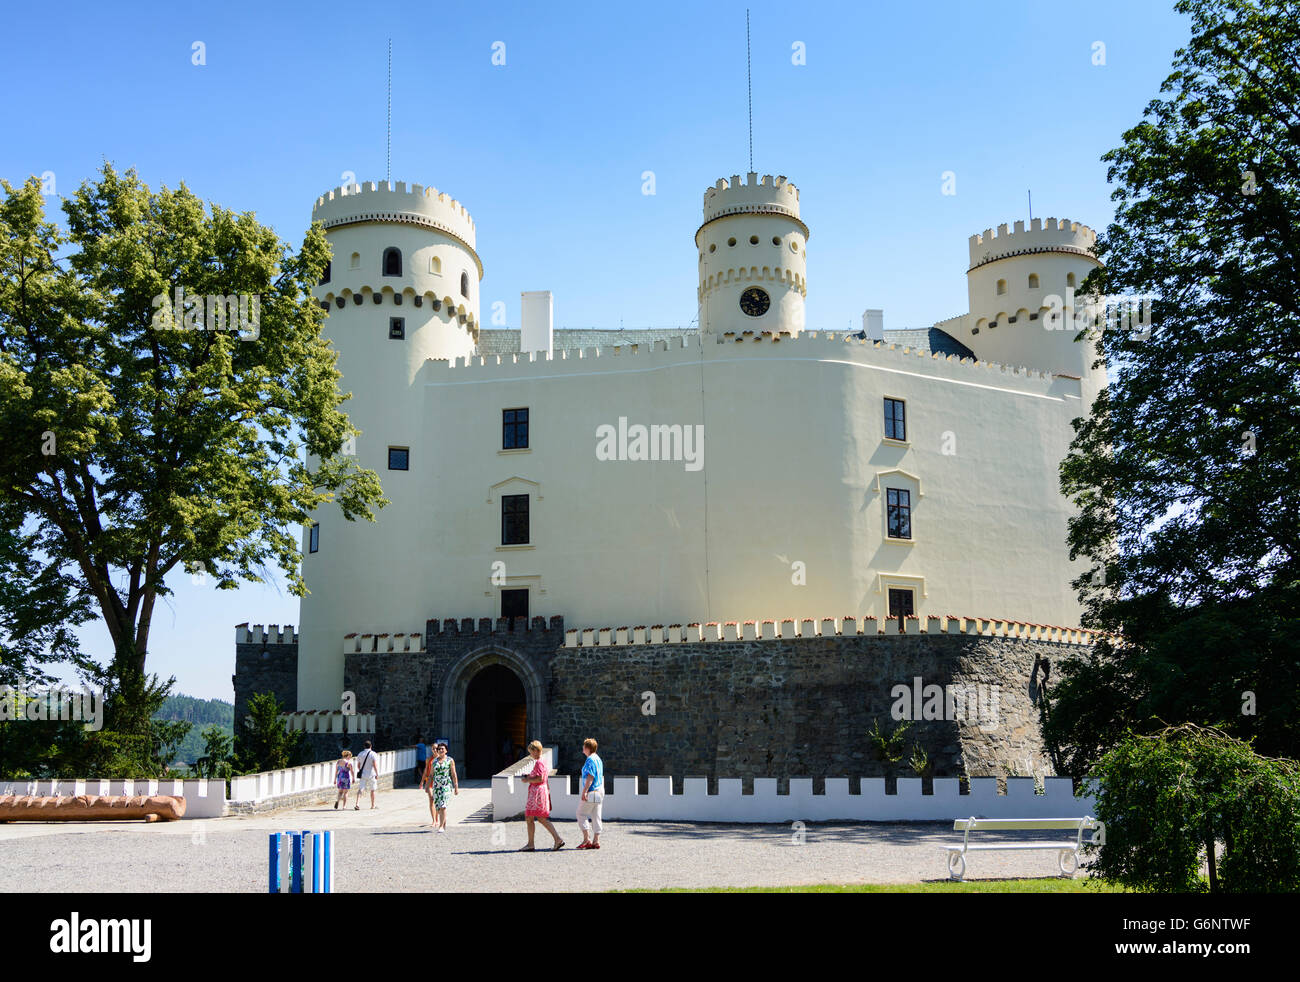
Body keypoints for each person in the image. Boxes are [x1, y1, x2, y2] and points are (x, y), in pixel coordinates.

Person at [519, 740, 563, 851]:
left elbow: (540, 778)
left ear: (535, 750)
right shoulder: (543, 761)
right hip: (541, 791)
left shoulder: (539, 762)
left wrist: (527, 779)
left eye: (531, 752)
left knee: (533, 817)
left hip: (537, 793)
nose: (530, 754)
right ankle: (555, 839)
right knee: (539, 818)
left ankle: (532, 844)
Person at [575, 738, 604, 850]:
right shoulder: (598, 759)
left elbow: (590, 776)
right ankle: (596, 840)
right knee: (596, 814)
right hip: (600, 789)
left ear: (587, 748)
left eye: (584, 747)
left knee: (580, 813)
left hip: (592, 790)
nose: (582, 748)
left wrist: (585, 791)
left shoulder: (590, 760)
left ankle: (587, 839)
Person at [423, 741, 459, 832]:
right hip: (436, 786)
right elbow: (431, 775)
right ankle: (444, 821)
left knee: (443, 806)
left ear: (446, 750)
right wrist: (427, 786)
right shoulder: (434, 762)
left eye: (442, 749)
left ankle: (441, 826)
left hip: (446, 785)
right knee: (438, 807)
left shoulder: (450, 760)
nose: (440, 750)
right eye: (439, 749)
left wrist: (456, 787)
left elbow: (454, 774)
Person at [353, 739, 379, 810]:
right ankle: (372, 805)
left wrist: (361, 770)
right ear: (371, 746)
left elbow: (358, 765)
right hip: (371, 774)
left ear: (364, 746)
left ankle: (357, 804)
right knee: (372, 790)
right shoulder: (373, 754)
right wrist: (377, 773)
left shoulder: (360, 754)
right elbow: (374, 765)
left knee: (361, 789)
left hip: (363, 774)